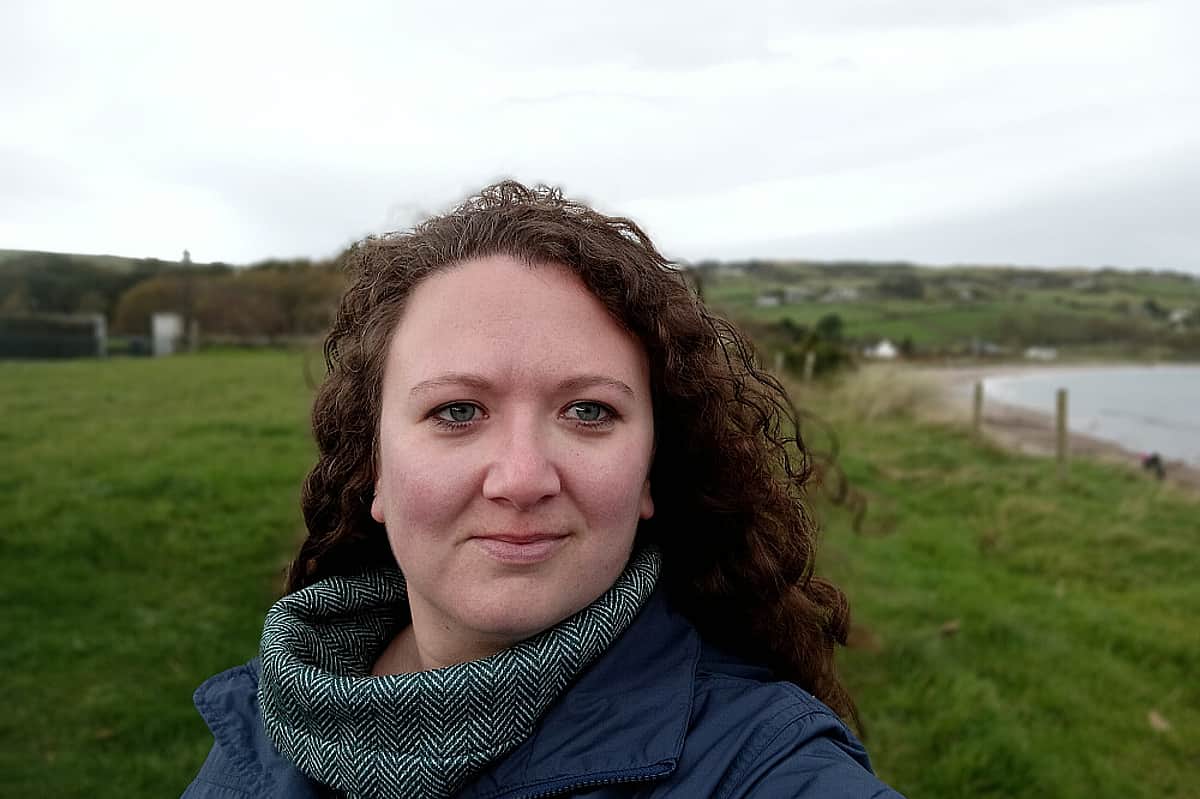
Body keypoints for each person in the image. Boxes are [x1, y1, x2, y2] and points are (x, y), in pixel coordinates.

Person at [183, 182, 905, 798]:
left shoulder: (762, 766)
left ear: (650, 471)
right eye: (457, 412)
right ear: (375, 467)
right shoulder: (269, 718)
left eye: (588, 411)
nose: (523, 479)